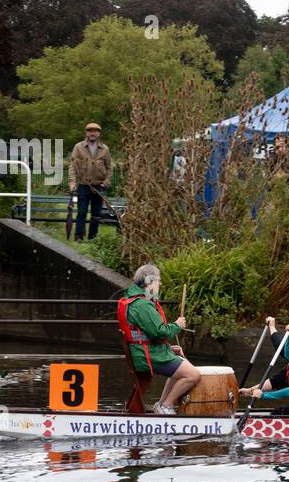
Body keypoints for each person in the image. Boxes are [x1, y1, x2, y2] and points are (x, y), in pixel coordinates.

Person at [117, 263, 200, 415]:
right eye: (158, 281)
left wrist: (169, 348)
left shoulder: (138, 301)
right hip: (147, 356)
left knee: (181, 368)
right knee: (192, 375)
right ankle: (166, 406)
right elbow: (159, 333)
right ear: (149, 283)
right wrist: (177, 325)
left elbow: (148, 335)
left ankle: (161, 405)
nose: (160, 284)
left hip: (146, 352)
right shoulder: (142, 305)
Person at [69, 122, 113, 241]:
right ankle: (78, 236)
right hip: (83, 184)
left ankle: (93, 238)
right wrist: (72, 182)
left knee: (96, 215)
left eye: (95, 131)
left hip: (99, 185)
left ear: (99, 134)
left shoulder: (105, 149)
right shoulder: (78, 147)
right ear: (86, 133)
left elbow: (109, 167)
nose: (92, 133)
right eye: (90, 131)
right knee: (82, 212)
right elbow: (72, 166)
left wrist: (106, 182)